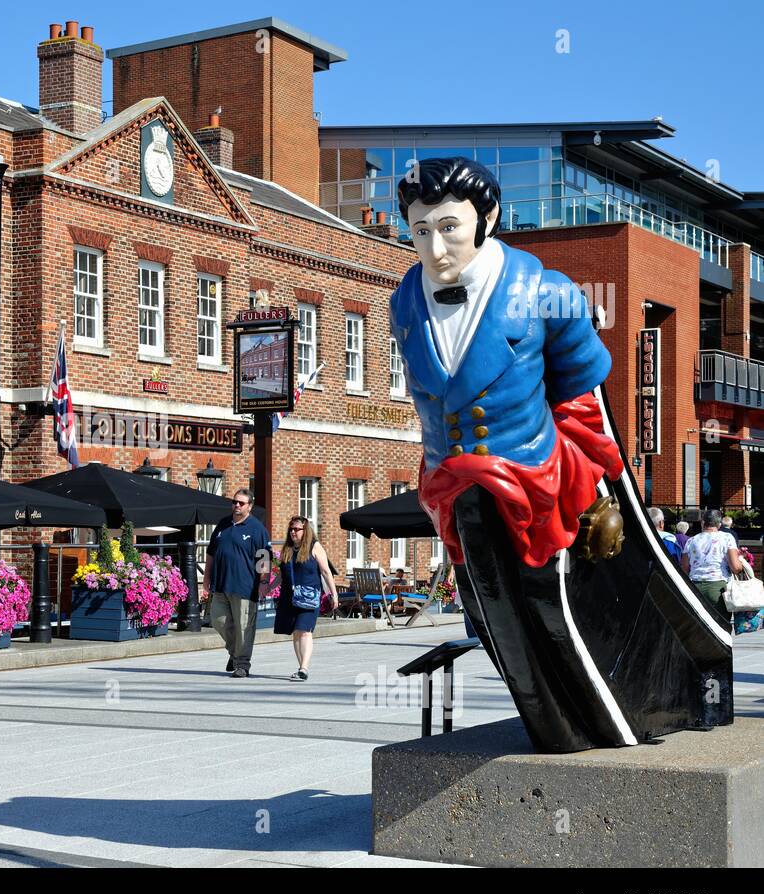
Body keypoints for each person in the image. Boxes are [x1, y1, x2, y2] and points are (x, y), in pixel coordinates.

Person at [389, 156, 731, 752]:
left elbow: (586, 407)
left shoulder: (548, 294)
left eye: (449, 227)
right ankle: (554, 725)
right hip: (454, 487)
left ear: (486, 218)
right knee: (492, 612)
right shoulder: (403, 305)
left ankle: (593, 720)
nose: (436, 247)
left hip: (536, 482)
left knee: (554, 607)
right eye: (421, 231)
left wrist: (603, 493)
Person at [202, 488, 270, 678]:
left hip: (245, 587)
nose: (237, 505)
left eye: (241, 503)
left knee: (243, 627)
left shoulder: (257, 529)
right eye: (235, 502)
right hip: (221, 585)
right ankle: (235, 653)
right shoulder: (223, 524)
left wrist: (263, 582)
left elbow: (263, 557)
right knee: (218, 621)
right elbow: (211, 554)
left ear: (250, 506)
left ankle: (242, 664)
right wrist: (206, 578)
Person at [274, 516, 337, 681]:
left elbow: (325, 571)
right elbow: (282, 575)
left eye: (297, 529)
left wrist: (334, 593)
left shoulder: (314, 547)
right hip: (289, 596)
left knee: (305, 631)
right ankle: (301, 667)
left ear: (305, 530)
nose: (293, 532)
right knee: (296, 632)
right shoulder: (287, 549)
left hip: (309, 596)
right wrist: (268, 587)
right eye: (291, 529)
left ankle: (304, 668)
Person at [681, 510, 743, 627]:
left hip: (695, 586)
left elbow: (684, 567)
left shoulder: (691, 540)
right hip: (717, 587)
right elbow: (735, 567)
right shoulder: (727, 538)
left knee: (698, 626)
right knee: (721, 626)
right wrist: (741, 564)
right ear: (719, 524)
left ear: (703, 523)